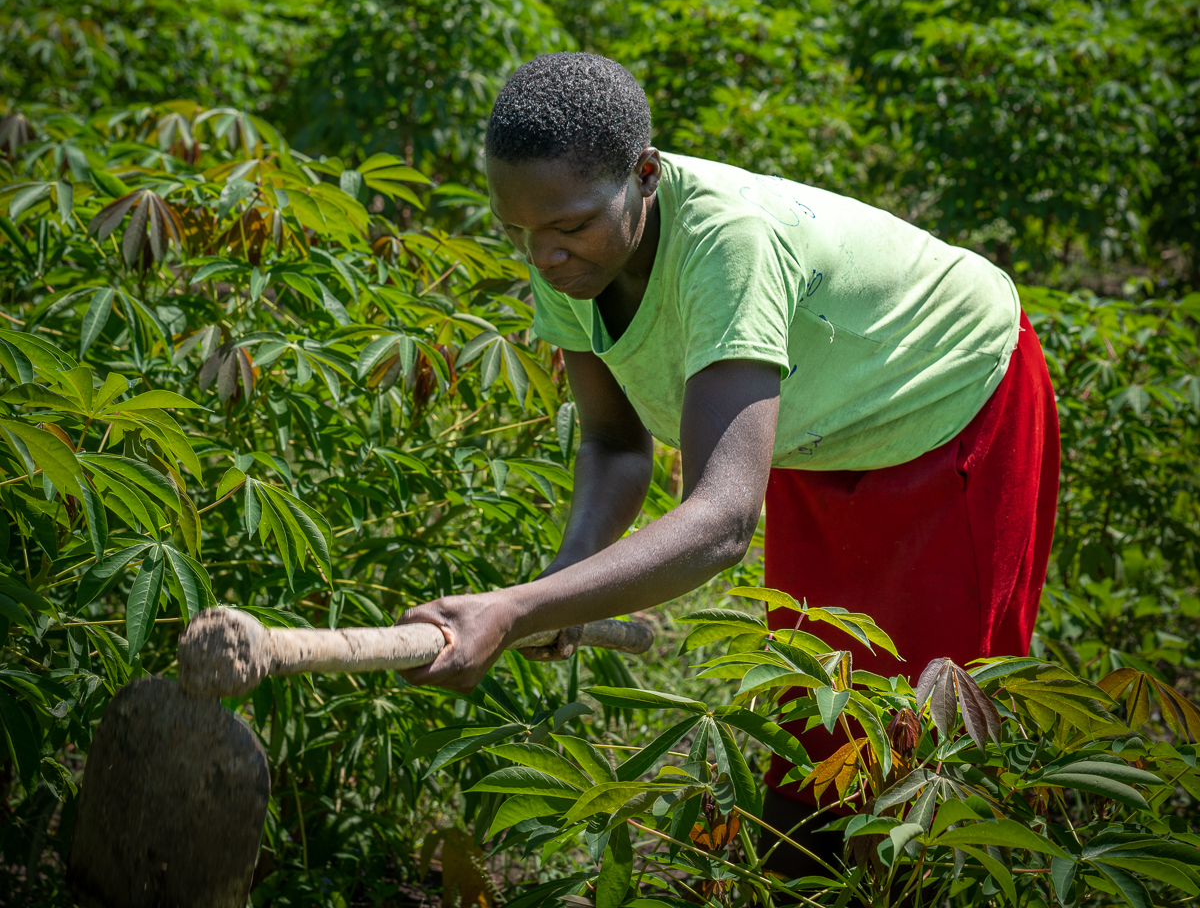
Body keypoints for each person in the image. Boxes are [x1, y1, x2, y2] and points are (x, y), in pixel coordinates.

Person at [400, 51, 1059, 874]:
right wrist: (564, 579)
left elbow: (720, 521)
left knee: (922, 747)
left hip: (952, 399)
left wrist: (515, 608)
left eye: (568, 228)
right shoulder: (568, 251)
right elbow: (615, 444)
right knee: (819, 706)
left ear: (644, 175)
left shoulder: (727, 244)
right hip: (818, 428)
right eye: (518, 232)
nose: (543, 256)